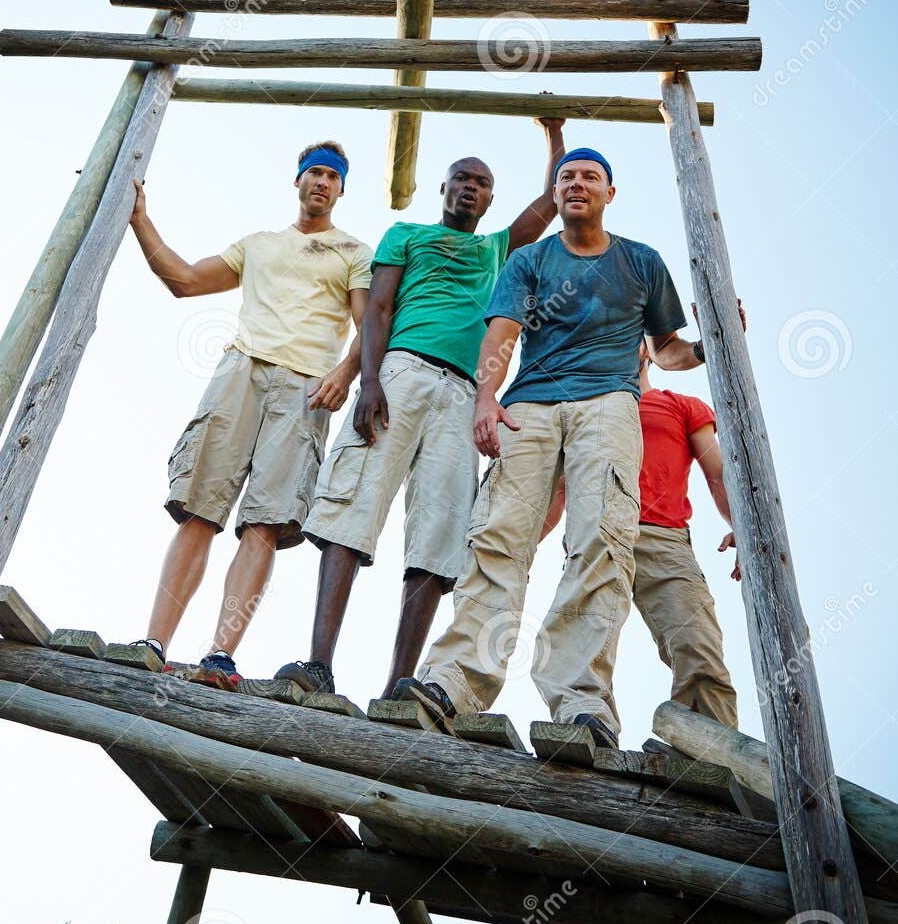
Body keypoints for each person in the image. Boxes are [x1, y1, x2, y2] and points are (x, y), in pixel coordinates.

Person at [395, 146, 714, 749]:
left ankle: (581, 699)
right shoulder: (533, 258)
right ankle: (456, 679)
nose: (576, 184)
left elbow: (667, 347)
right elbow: (504, 331)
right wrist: (486, 398)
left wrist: (706, 347)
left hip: (610, 403)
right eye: (567, 176)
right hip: (532, 403)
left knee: (600, 539)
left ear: (609, 193)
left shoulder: (641, 262)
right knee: (497, 535)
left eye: (590, 176)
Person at [275, 115, 567, 700]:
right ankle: (319, 666)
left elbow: (550, 203)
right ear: (444, 188)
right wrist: (370, 381)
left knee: (439, 531)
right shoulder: (405, 234)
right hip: (402, 372)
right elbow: (378, 309)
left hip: (463, 392)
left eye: (481, 183)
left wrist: (553, 132)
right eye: (461, 178)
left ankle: (399, 686)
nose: (469, 187)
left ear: (489, 199)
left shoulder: (496, 248)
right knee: (355, 503)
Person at [128, 142, 372, 678]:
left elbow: (369, 326)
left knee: (264, 520)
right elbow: (185, 280)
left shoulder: (353, 251)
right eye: (315, 173)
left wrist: (345, 373)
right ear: (298, 181)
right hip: (240, 372)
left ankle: (220, 654)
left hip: (307, 385)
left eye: (333, 176)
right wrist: (139, 221)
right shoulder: (259, 244)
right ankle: (153, 643)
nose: (323, 182)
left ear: (342, 189)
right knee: (199, 509)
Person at [539, 342, 739, 726]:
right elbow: (561, 492)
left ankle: (709, 748)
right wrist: (525, 549)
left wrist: (741, 529)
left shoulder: (680, 405)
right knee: (584, 633)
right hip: (599, 528)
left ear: (647, 350)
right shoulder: (584, 410)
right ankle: (585, 719)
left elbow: (717, 473)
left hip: (665, 538)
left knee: (698, 643)